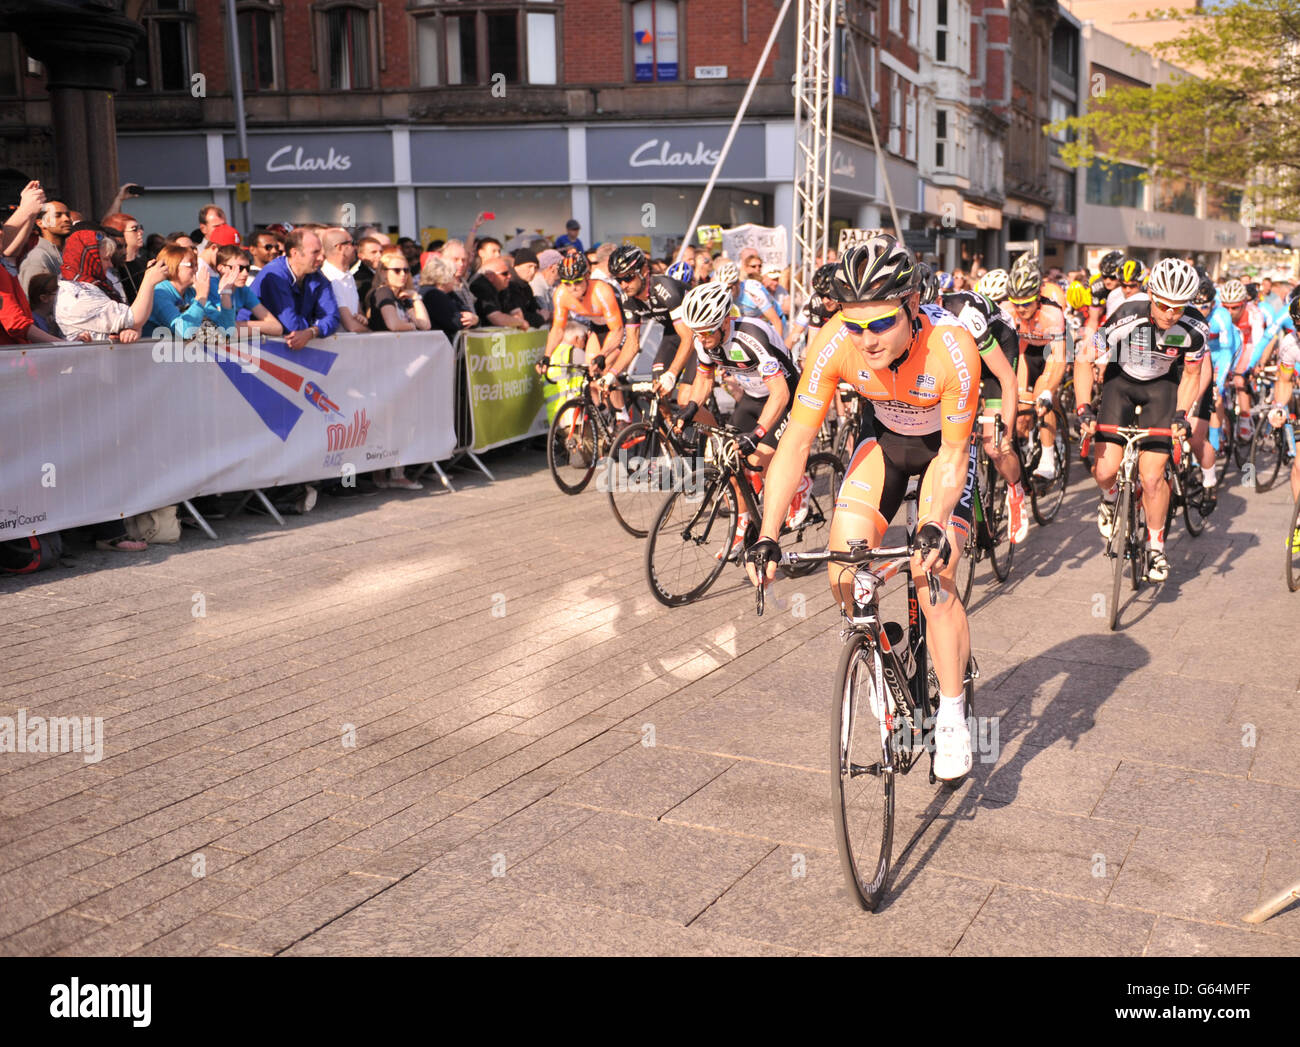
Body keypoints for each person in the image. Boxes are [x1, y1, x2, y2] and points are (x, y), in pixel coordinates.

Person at [744, 234, 980, 781]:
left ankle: (950, 714)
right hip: (887, 447)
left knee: (932, 575)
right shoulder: (834, 342)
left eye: (881, 324)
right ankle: (877, 655)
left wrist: (933, 525)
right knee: (843, 565)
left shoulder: (951, 347)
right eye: (855, 324)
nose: (866, 340)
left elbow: (952, 456)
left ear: (911, 307)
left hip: (942, 455)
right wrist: (769, 532)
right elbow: (797, 442)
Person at [1076, 257, 1207, 582]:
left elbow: (1191, 375)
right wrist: (1083, 408)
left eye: (1178, 307)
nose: (1170, 314)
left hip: (1162, 388)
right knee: (1105, 470)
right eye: (1163, 305)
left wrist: (1181, 414)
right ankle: (1108, 499)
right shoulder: (1127, 314)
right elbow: (1083, 357)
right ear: (1151, 295)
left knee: (1151, 478)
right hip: (1121, 382)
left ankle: (1156, 546)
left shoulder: (1194, 328)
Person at [673, 280, 802, 559]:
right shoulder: (703, 339)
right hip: (753, 396)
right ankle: (743, 522)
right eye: (697, 332)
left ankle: (799, 486)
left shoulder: (751, 336)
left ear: (725, 322)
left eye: (707, 332)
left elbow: (779, 394)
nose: (702, 338)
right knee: (730, 461)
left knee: (757, 461)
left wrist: (756, 434)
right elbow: (704, 379)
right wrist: (691, 407)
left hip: (785, 395)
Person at [604, 244, 696, 405]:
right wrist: (612, 373)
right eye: (619, 279)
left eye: (628, 277)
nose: (623, 284)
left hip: (697, 334)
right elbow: (632, 344)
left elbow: (688, 337)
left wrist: (672, 374)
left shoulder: (665, 289)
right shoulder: (628, 299)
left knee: (685, 400)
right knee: (658, 395)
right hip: (672, 333)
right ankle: (669, 429)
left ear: (644, 271)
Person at [1003, 262, 1068, 480]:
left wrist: (1050, 390)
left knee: (1042, 396)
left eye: (1027, 303)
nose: (1021, 309)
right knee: (1022, 410)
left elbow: (1059, 357)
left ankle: (1048, 458)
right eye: (1016, 304)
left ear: (1037, 298)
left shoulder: (1052, 312)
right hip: (1027, 352)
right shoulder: (1007, 311)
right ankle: (1027, 444)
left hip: (1051, 352)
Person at [55, 228, 167, 342]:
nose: (110, 264)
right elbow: (134, 318)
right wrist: (149, 280)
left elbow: (133, 322)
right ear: (89, 260)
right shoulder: (76, 294)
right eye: (105, 259)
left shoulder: (96, 286)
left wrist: (132, 330)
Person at [249, 228, 339, 349]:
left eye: (321, 252)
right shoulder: (274, 275)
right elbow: (291, 326)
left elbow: (333, 317)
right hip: (250, 350)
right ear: (295, 253)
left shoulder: (317, 276)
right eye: (315, 252)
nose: (321, 258)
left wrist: (311, 332)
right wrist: (315, 326)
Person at [148, 243, 237, 338]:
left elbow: (227, 330)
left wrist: (225, 293)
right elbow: (184, 331)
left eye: (196, 265)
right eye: (191, 265)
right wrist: (201, 296)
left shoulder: (191, 293)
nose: (196, 269)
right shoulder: (160, 292)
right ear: (172, 266)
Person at [364, 245, 432, 334]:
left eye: (406, 270)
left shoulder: (402, 297)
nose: (403, 274)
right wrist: (412, 326)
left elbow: (425, 325)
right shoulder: (383, 292)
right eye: (397, 270)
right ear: (383, 273)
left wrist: (415, 297)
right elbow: (393, 325)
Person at [18, 199, 72, 294]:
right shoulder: (37, 258)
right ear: (40, 223)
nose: (66, 219)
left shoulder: (67, 253)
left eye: (67, 215)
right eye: (57, 215)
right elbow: (33, 302)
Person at [420, 254, 479, 341]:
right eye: (454, 276)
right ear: (445, 277)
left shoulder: (449, 293)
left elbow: (468, 311)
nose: (456, 280)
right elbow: (456, 322)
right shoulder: (432, 294)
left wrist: (475, 319)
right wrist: (471, 319)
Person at [321, 227, 369, 333]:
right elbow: (351, 326)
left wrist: (363, 320)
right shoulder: (329, 279)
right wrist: (371, 333)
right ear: (339, 247)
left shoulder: (347, 275)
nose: (356, 247)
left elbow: (359, 313)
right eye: (352, 243)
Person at [471, 257, 530, 330]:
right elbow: (496, 318)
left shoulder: (504, 287)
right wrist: (520, 322)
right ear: (490, 276)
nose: (509, 276)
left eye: (509, 273)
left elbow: (516, 311)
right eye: (505, 274)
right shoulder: (480, 287)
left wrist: (517, 320)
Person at [102, 212, 146, 301]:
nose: (141, 232)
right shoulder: (110, 267)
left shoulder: (144, 262)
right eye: (134, 229)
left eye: (140, 228)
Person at [531, 248, 562, 323]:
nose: (564, 269)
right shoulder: (537, 285)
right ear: (552, 268)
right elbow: (545, 314)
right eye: (561, 265)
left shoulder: (556, 284)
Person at [352, 234, 385, 304]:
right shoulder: (359, 280)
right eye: (373, 252)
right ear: (361, 256)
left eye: (381, 252)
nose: (379, 255)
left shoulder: (387, 273)